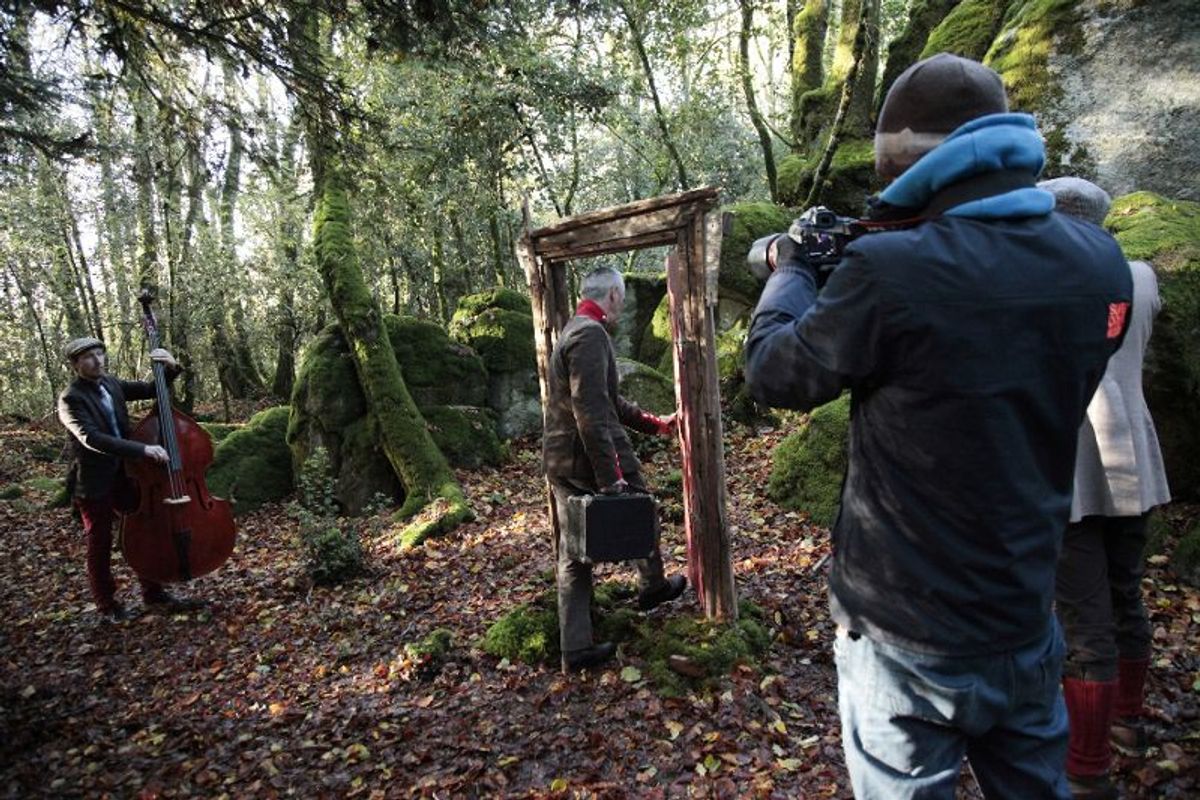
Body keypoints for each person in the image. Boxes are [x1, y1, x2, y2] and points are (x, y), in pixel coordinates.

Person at [744, 54, 1133, 799]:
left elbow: (775, 373)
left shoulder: (889, 272)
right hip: (1024, 612)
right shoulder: (1100, 263)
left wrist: (792, 268)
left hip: (904, 633)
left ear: (905, 161)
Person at [1038, 177, 1171, 800]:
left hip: (1072, 464)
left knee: (1084, 614)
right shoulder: (1140, 275)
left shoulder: (1044, 282)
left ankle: (1086, 768)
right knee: (1126, 592)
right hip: (1134, 458)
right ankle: (1129, 723)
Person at [542, 266, 687, 673]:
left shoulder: (575, 330)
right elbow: (590, 412)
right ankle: (652, 586)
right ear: (613, 296)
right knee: (639, 504)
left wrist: (655, 424)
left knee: (573, 552)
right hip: (584, 459)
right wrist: (610, 478)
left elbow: (608, 401)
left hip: (562, 459)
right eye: (621, 298)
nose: (622, 305)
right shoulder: (589, 335)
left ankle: (575, 648)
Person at [57, 336, 201, 621]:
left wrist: (171, 368)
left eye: (99, 354)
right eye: (88, 357)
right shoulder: (70, 398)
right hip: (94, 480)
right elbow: (91, 438)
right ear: (75, 364)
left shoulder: (112, 384)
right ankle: (106, 604)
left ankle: (153, 592)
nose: (97, 361)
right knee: (99, 542)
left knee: (144, 531)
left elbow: (151, 389)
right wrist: (142, 449)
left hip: (128, 475)